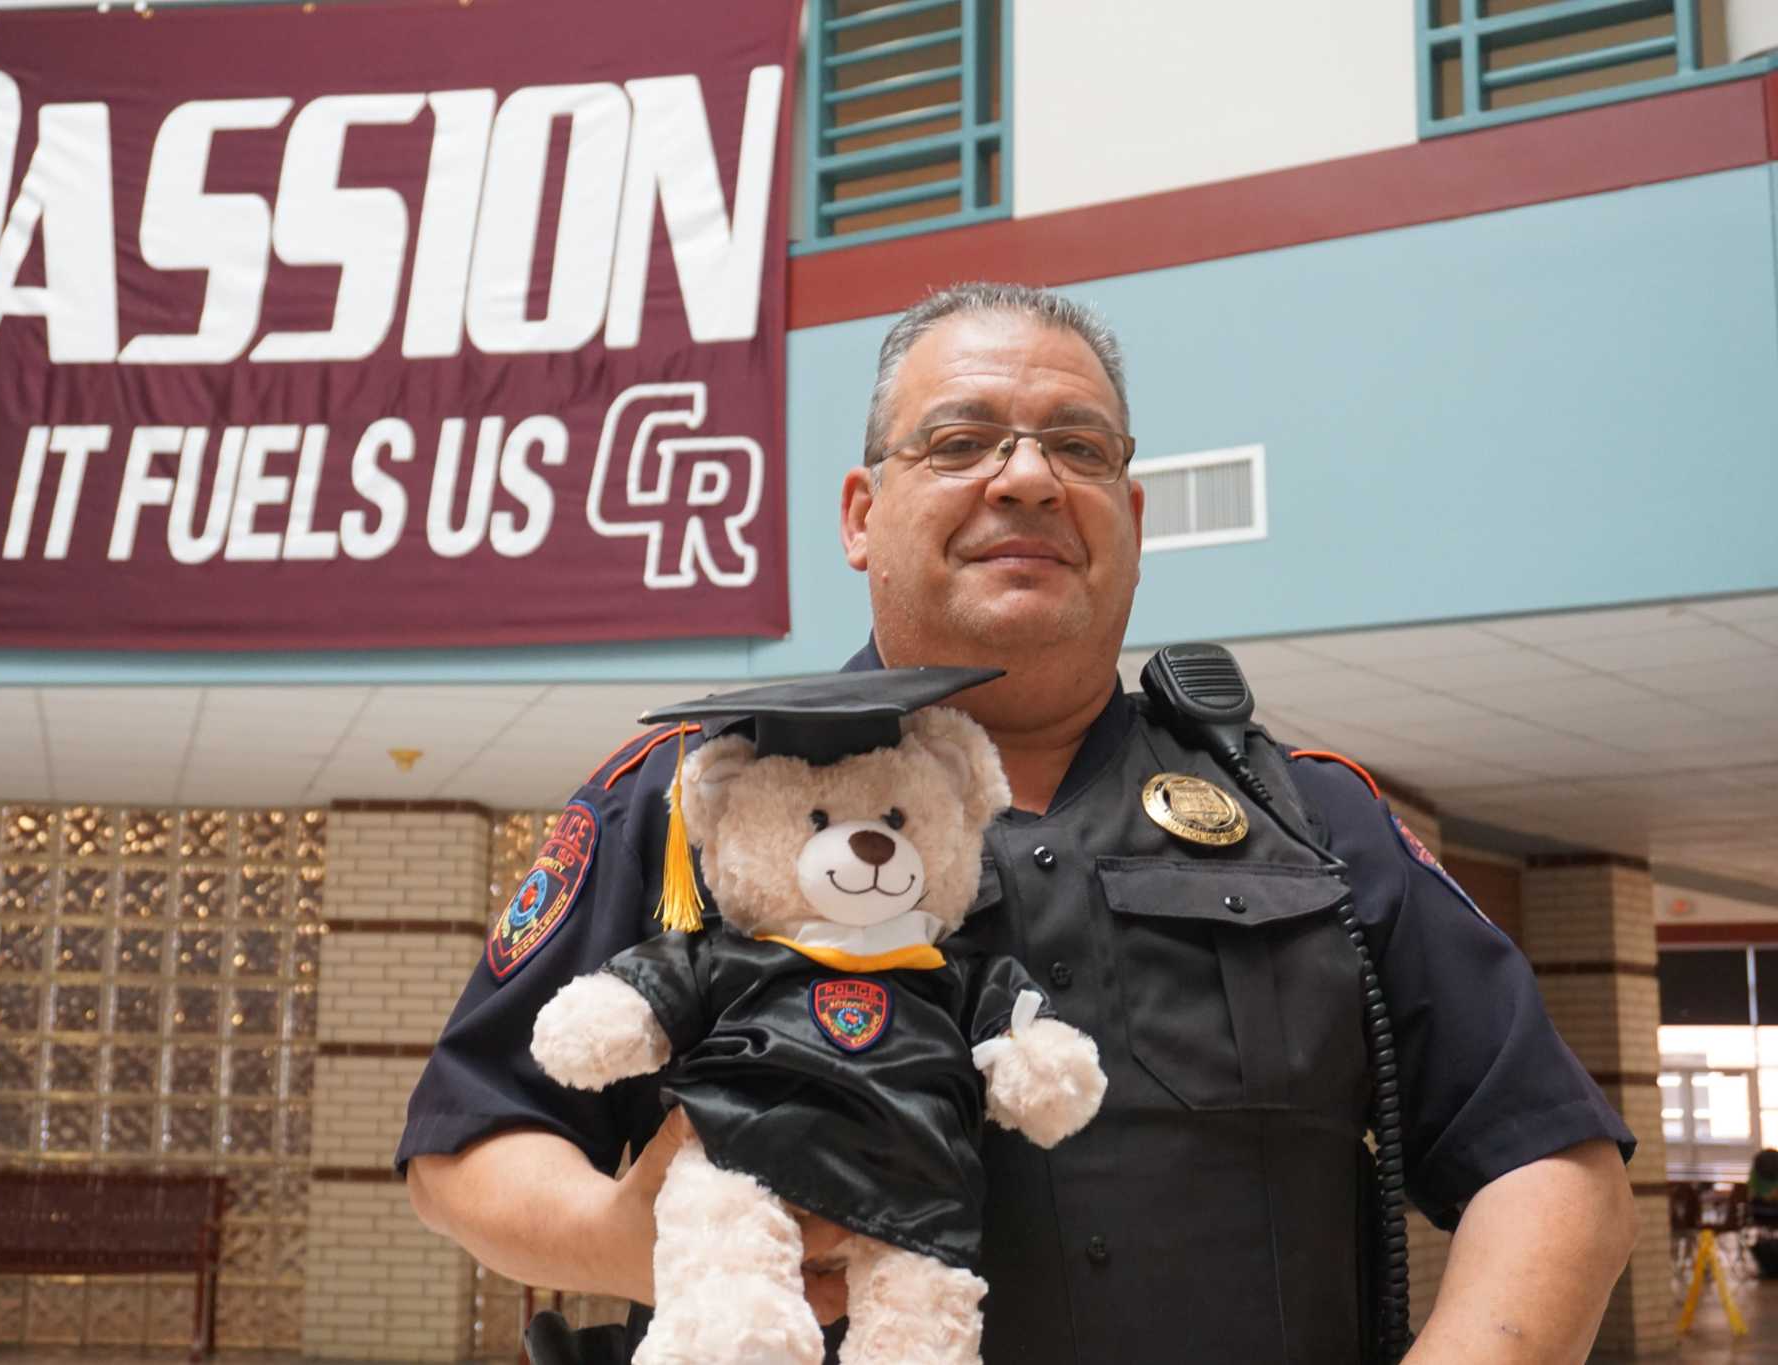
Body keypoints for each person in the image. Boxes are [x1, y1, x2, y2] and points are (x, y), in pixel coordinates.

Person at [399, 283, 1638, 1363]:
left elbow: (1547, 1160)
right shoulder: (689, 799)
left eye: (1079, 450)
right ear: (857, 514)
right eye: (959, 440)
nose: (1030, 476)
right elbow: (473, 1141)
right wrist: (623, 1243)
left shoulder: (1306, 815)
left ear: (1132, 524)